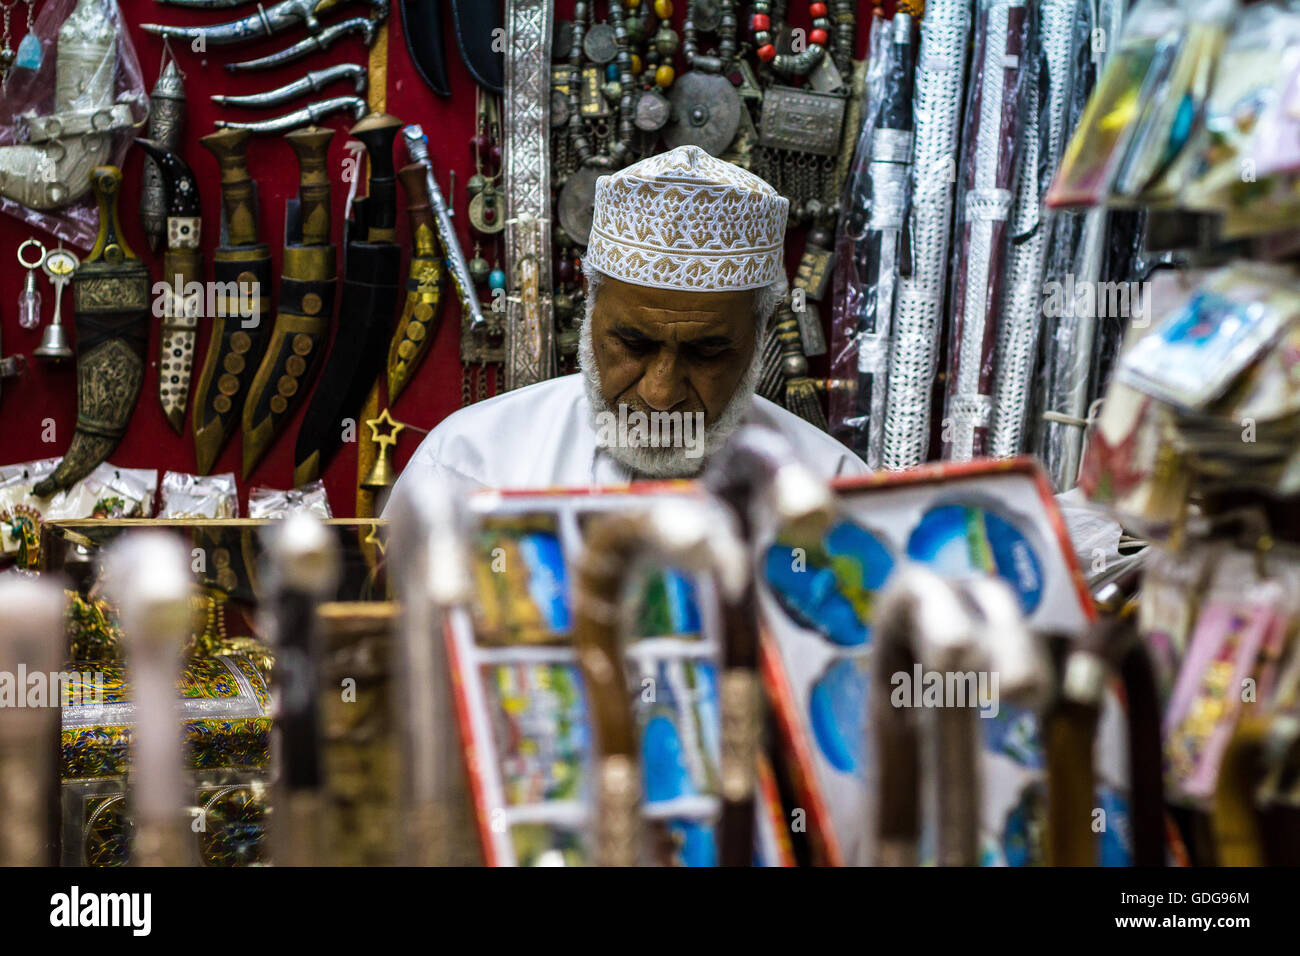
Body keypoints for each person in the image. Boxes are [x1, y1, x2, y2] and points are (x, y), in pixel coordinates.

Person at [385, 145, 866, 511]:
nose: (660, 394)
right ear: (590, 313)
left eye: (707, 354)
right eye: (634, 343)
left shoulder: (834, 496)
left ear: (759, 340)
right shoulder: (468, 466)